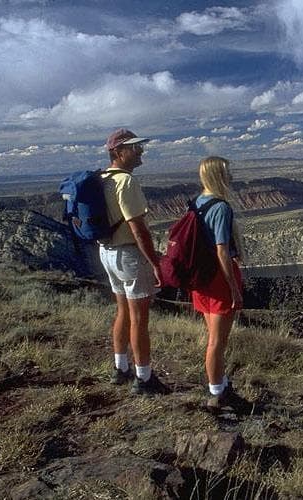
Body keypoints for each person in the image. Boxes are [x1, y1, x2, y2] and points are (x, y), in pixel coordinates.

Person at [100, 128, 169, 395]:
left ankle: (121, 369)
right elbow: (138, 228)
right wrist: (154, 262)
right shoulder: (126, 182)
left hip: (107, 252)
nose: (140, 152)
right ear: (118, 152)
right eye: (134, 148)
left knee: (122, 311)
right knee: (139, 318)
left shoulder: (103, 179)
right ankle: (144, 379)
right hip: (128, 254)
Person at [191, 156, 244, 404]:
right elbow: (222, 249)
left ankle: (220, 385)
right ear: (217, 176)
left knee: (213, 338)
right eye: (227, 172)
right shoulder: (221, 208)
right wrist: (233, 288)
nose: (231, 177)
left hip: (201, 279)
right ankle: (217, 393)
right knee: (217, 342)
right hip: (219, 280)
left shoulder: (197, 203)